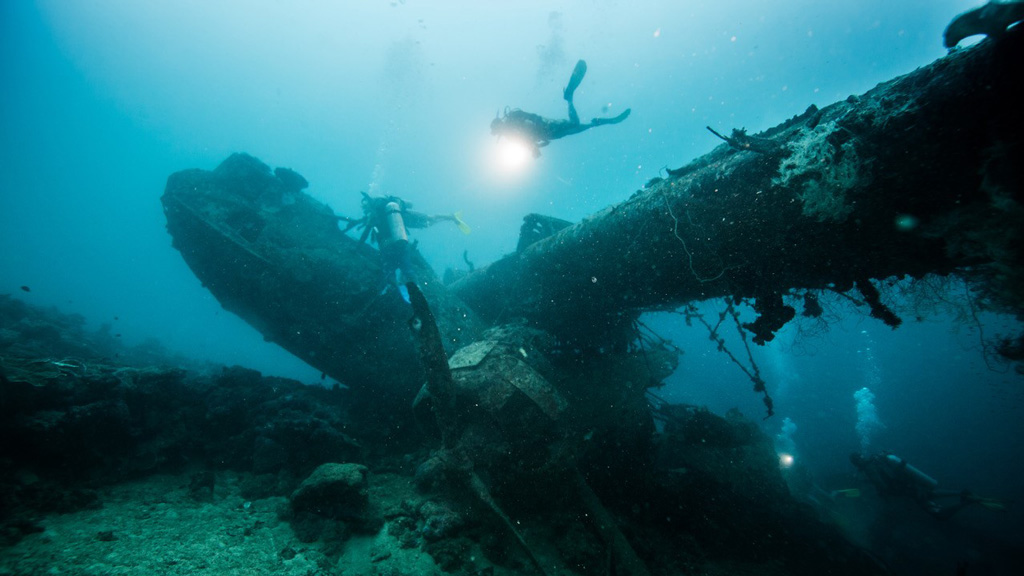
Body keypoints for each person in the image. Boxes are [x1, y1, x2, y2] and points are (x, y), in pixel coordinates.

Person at [339, 192, 470, 301]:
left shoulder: (374, 214)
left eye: (364, 206)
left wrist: (357, 249)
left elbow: (366, 233)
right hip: (401, 241)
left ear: (368, 203)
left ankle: (401, 292)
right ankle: (417, 290)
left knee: (389, 272)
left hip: (388, 247)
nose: (363, 209)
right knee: (408, 267)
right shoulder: (391, 210)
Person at [490, 59, 631, 157]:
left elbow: (532, 118)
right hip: (547, 132)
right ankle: (589, 118)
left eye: (498, 130)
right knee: (575, 126)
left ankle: (575, 104)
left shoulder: (513, 120)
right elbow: (528, 141)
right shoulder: (510, 134)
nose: (500, 132)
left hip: (547, 129)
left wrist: (537, 137)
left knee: (575, 125)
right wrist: (534, 149)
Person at [850, 452, 1007, 520]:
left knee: (939, 515)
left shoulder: (869, 469)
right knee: (930, 494)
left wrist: (883, 495)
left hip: (907, 490)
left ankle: (968, 500)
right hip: (910, 485)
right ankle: (961, 493)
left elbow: (881, 486)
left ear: (856, 462)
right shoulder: (878, 460)